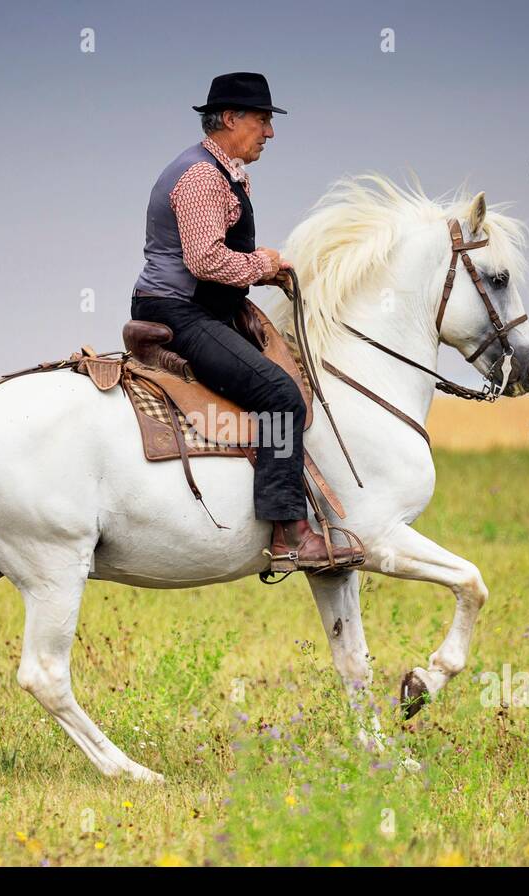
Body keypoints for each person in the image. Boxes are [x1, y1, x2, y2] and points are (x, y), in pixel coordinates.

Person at [130, 72, 362, 570]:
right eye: (262, 120)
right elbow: (205, 261)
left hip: (203, 306)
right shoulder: (199, 177)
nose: (270, 132)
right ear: (230, 118)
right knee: (279, 394)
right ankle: (288, 534)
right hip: (181, 310)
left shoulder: (226, 171)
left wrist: (265, 272)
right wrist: (264, 263)